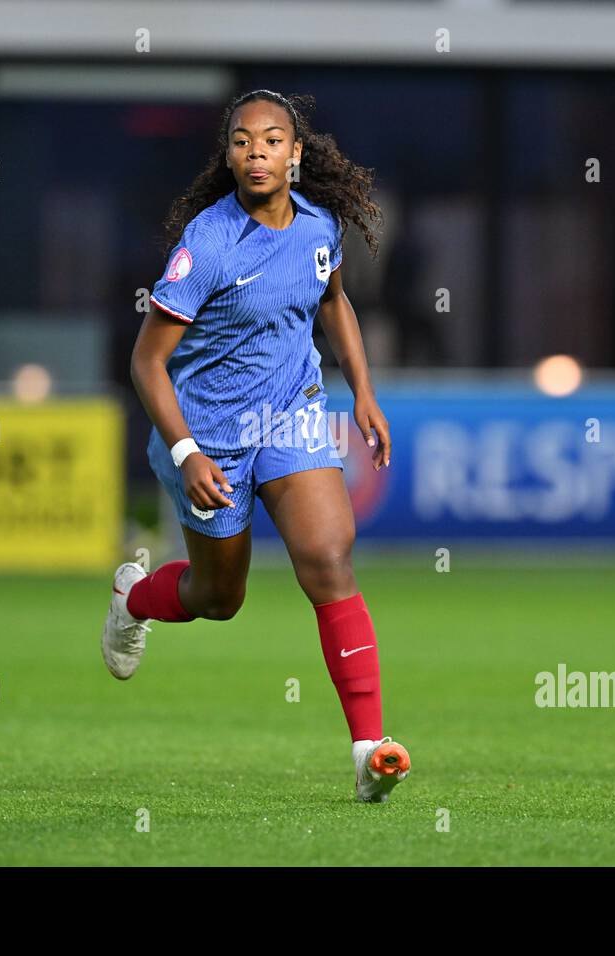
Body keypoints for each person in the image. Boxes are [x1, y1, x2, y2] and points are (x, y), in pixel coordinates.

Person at [103, 89, 411, 802]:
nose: (257, 153)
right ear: (230, 154)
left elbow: (332, 300)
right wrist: (185, 453)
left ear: (296, 154)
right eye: (243, 141)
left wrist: (363, 390)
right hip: (207, 437)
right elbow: (146, 363)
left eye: (272, 141)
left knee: (330, 554)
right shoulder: (206, 245)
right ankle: (134, 600)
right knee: (218, 596)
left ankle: (369, 749)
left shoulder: (317, 226)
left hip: (292, 415)